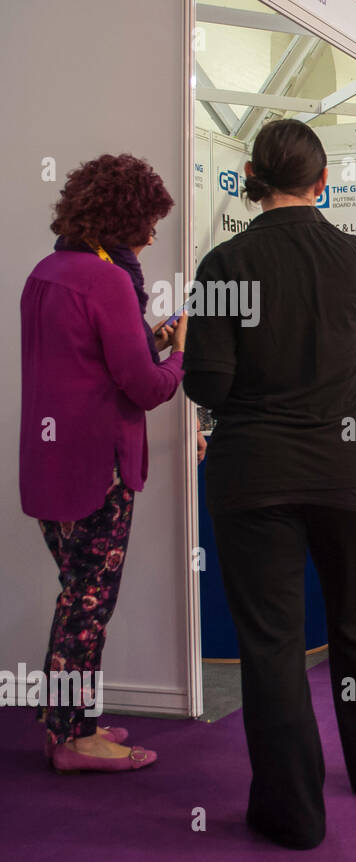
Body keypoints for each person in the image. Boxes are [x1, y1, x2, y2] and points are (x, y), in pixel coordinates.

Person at [182, 119, 356, 849]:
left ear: (251, 177)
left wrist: (190, 343)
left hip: (256, 472)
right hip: (351, 467)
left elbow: (207, 384)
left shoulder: (224, 264)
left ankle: (293, 812)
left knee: (272, 643)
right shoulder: (354, 256)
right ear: (322, 181)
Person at [20, 153, 183, 773]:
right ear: (126, 218)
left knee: (77, 598)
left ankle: (69, 724)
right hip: (98, 470)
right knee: (88, 605)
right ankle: (73, 740)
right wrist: (181, 355)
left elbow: (87, 362)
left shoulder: (47, 271)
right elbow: (144, 387)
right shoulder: (110, 281)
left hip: (49, 465)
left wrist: (150, 341)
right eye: (149, 222)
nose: (152, 236)